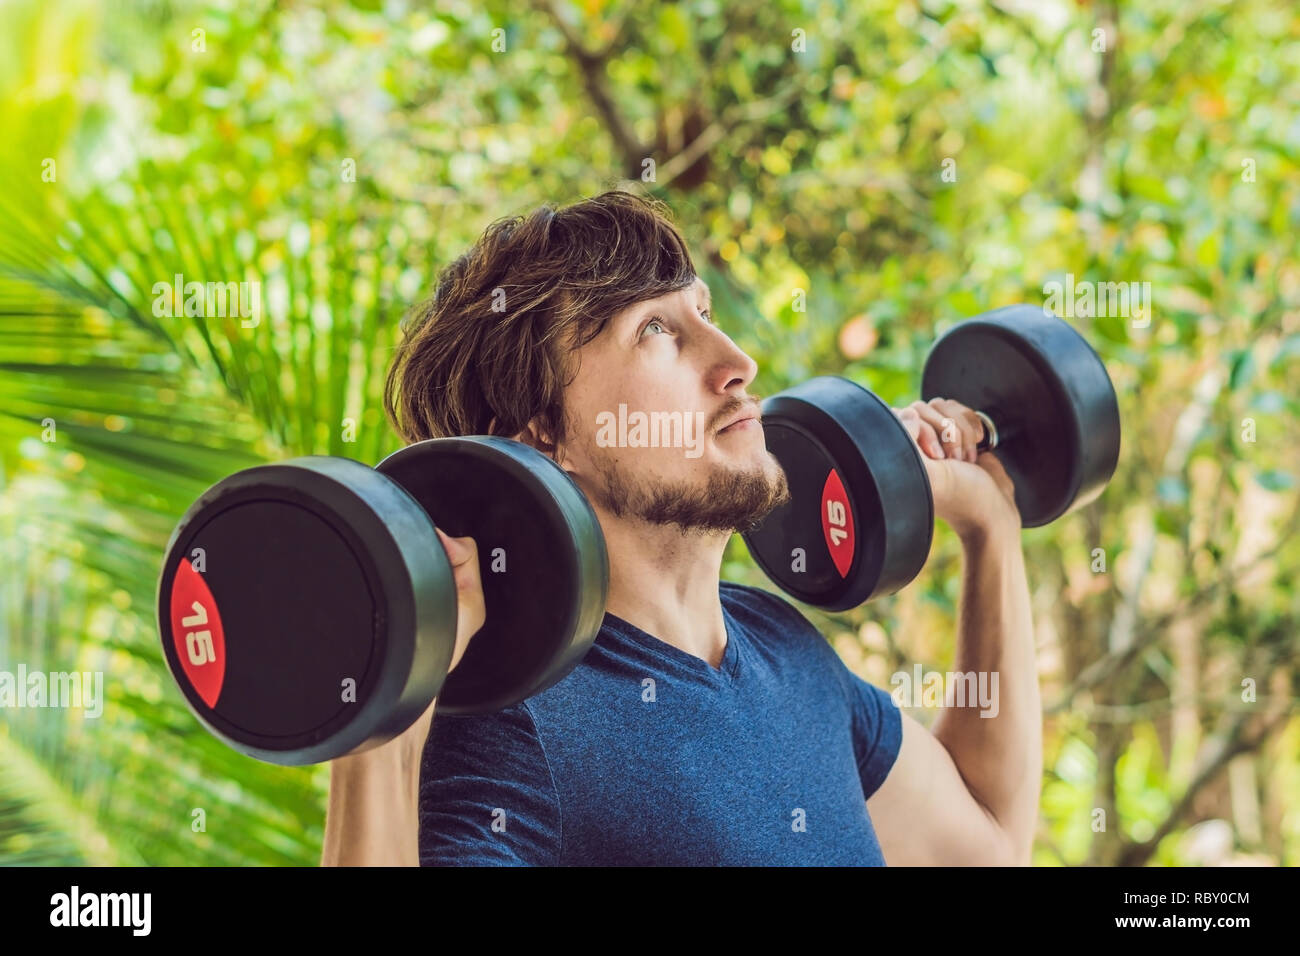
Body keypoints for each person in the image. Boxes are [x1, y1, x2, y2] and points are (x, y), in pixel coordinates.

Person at [322, 190, 1038, 866]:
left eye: (704, 311)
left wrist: (989, 527)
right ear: (543, 436)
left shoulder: (789, 653)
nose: (737, 364)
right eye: (656, 331)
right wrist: (379, 724)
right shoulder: (506, 727)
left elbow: (989, 846)